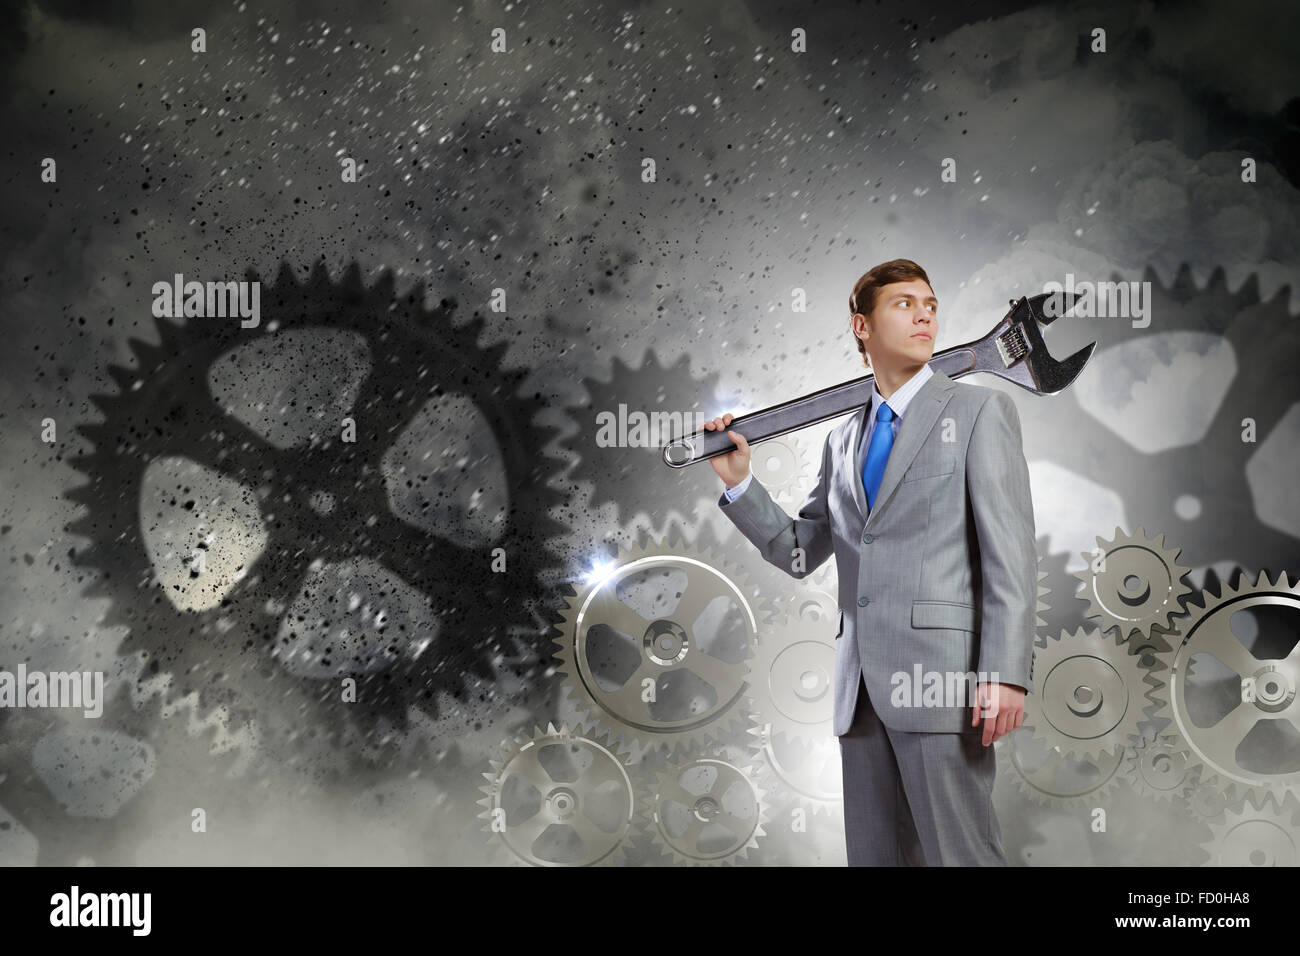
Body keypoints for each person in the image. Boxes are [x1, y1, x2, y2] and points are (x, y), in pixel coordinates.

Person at [705, 258, 1037, 866]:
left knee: (960, 856)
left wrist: (1006, 671)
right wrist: (740, 485)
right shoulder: (842, 438)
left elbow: (1008, 553)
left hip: (945, 682)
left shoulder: (980, 414)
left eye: (930, 304)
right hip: (859, 693)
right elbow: (801, 550)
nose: (924, 315)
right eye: (904, 304)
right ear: (862, 326)